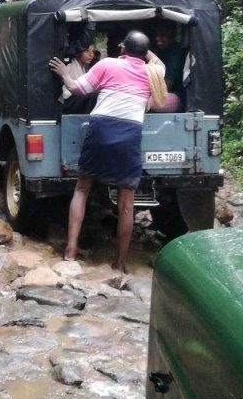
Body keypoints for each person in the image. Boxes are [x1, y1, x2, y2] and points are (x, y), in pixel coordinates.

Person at [49, 30, 165, 272]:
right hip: (130, 135)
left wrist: (63, 73)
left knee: (81, 189)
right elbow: (156, 61)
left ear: (122, 50)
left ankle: (70, 253)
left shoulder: (108, 64)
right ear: (144, 54)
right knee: (126, 204)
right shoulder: (153, 72)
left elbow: (77, 88)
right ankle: (120, 263)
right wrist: (144, 53)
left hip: (101, 129)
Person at [58, 42, 97, 113]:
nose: (91, 55)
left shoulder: (85, 68)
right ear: (78, 52)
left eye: (93, 52)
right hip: (68, 103)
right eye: (87, 51)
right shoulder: (69, 66)